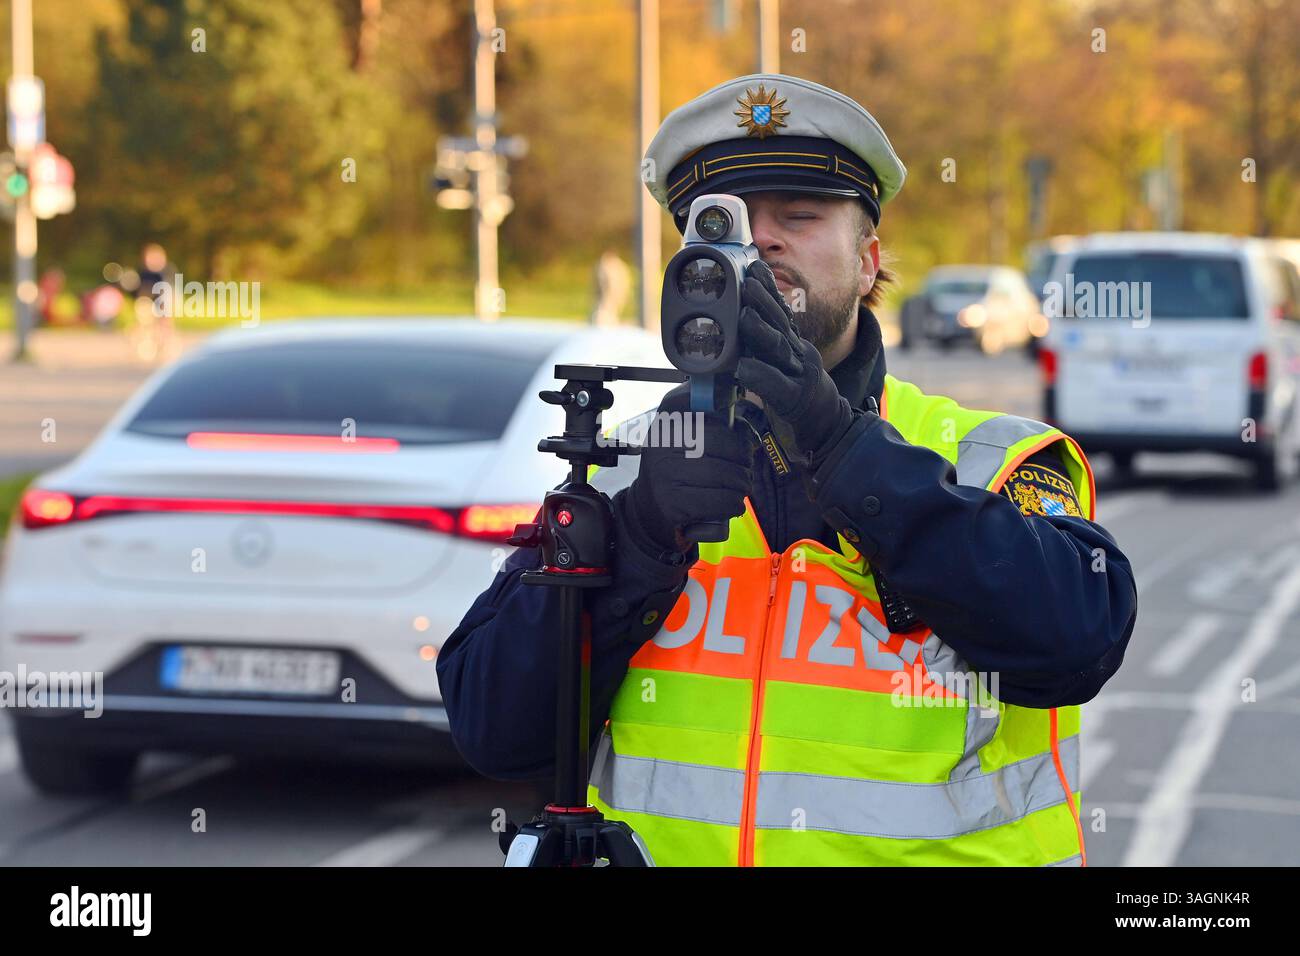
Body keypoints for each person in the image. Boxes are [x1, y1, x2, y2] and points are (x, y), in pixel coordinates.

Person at [437, 74, 1138, 866]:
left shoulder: (991, 456)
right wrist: (637, 538)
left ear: (871, 261)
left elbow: (1075, 643)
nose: (760, 242)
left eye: (798, 217)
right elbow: (495, 729)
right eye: (721, 226)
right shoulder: (626, 462)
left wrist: (843, 449)